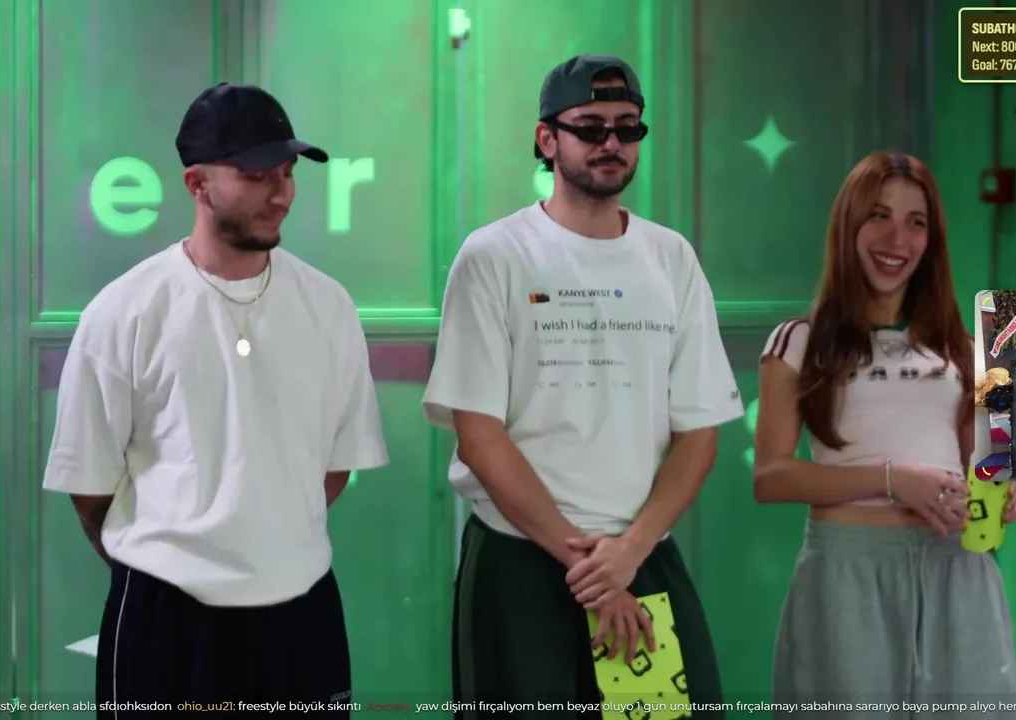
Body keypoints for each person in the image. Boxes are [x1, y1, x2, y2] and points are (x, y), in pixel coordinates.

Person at [42, 83, 388, 718]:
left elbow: (335, 465)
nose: (281, 193)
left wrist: (264, 537)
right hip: (167, 618)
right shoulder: (125, 311)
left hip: (302, 609)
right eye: (257, 175)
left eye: (287, 173)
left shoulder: (329, 306)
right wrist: (181, 552)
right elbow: (89, 488)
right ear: (196, 184)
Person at [422, 55, 741, 717]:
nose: (611, 143)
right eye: (591, 127)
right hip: (521, 564)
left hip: (640, 558)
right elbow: (479, 437)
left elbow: (699, 433)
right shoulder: (495, 255)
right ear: (547, 139)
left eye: (627, 128)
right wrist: (590, 568)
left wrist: (629, 553)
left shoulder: (671, 258)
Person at [753, 152, 1016, 718]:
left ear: (932, 240)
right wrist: (892, 480)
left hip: (958, 572)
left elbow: (985, 470)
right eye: (878, 215)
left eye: (915, 222)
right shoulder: (799, 341)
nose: (896, 239)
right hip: (847, 573)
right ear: (848, 225)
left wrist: (1001, 498)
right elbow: (771, 478)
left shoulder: (964, 350)